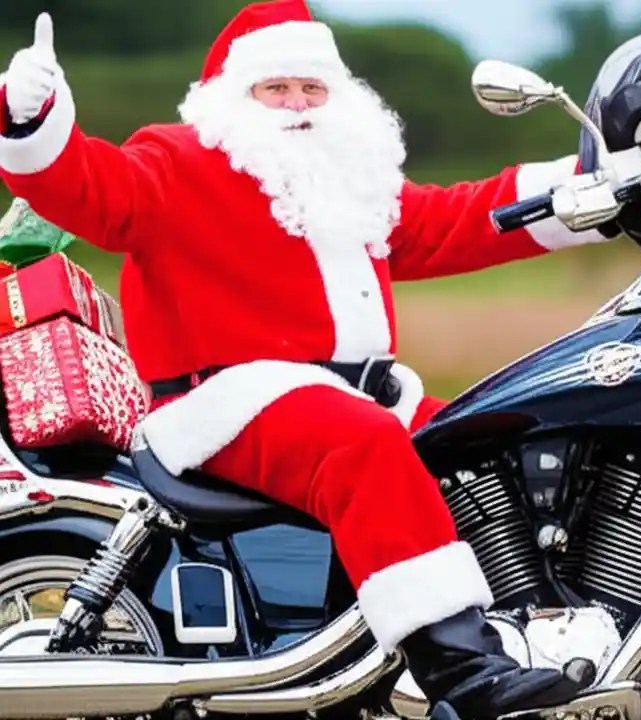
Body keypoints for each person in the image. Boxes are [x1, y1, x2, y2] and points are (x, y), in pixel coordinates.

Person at [0, 1, 607, 716]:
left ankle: (548, 625)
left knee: (506, 435)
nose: (297, 104)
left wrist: (596, 182)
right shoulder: (179, 158)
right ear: (235, 97)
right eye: (276, 87)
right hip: (228, 400)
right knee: (361, 443)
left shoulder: (346, 181)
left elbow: (458, 216)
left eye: (312, 88)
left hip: (354, 396)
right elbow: (93, 189)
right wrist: (32, 120)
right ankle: (462, 669)